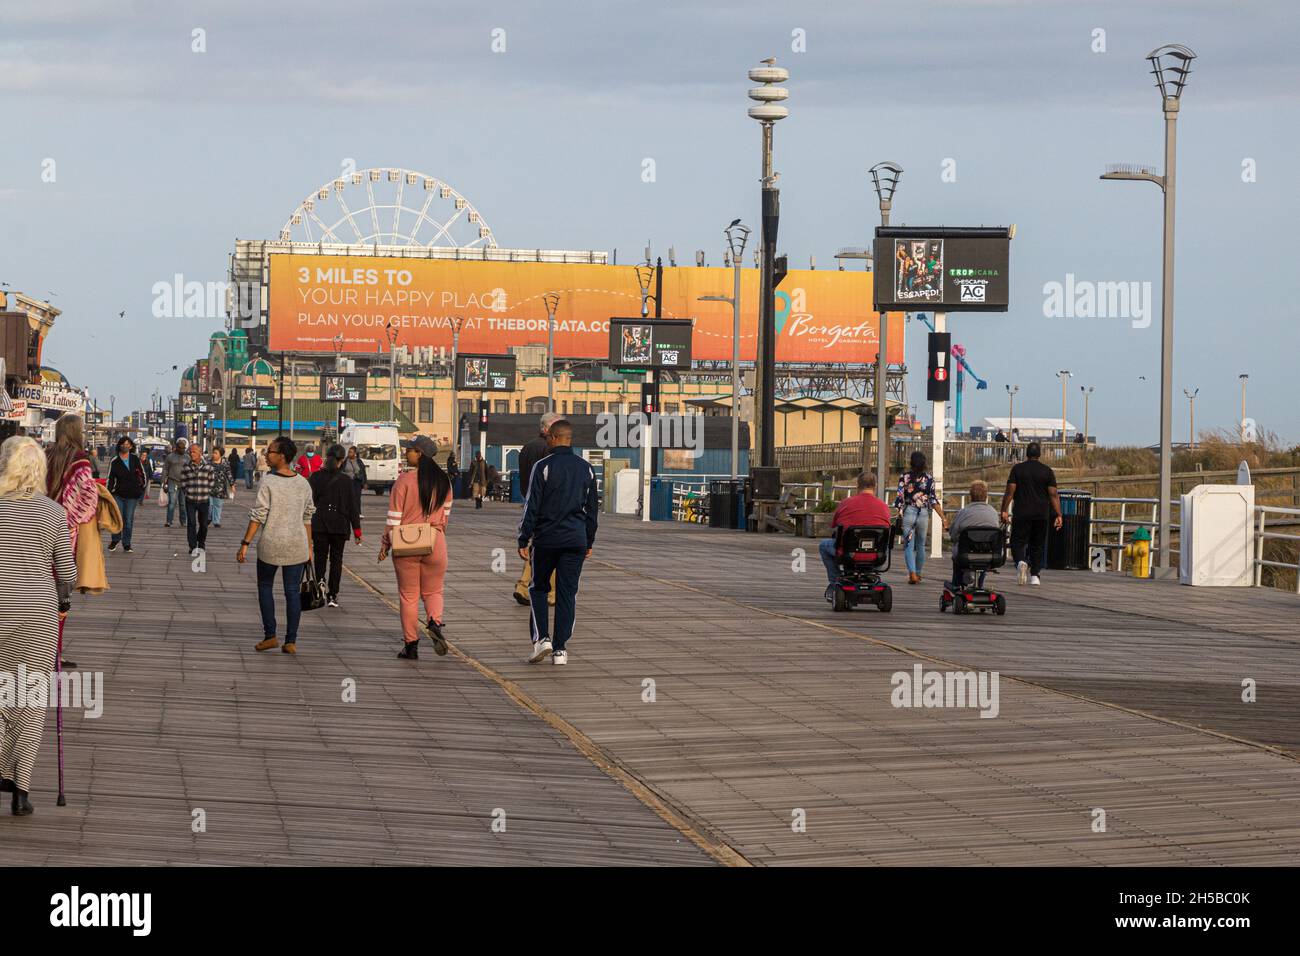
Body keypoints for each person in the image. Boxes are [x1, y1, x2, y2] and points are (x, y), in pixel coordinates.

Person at [0, 437, 78, 816]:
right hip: (36, 615)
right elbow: (67, 572)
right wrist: (63, 600)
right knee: (28, 699)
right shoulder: (52, 513)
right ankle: (21, 790)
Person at [517, 420, 599, 667]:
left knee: (538, 588)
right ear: (569, 439)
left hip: (546, 540)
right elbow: (593, 510)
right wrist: (589, 540)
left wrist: (524, 537)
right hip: (576, 539)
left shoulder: (542, 466)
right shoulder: (587, 469)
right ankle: (561, 650)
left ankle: (542, 639)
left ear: (552, 438)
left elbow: (532, 505)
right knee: (567, 594)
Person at [238, 436, 315, 655]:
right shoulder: (303, 483)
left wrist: (245, 543)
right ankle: (291, 641)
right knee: (292, 592)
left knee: (265, 588)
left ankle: (270, 636)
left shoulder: (269, 482)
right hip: (296, 545)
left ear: (281, 456)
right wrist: (309, 546)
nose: (266, 455)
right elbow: (307, 517)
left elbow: (259, 515)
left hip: (271, 544)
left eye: (270, 452)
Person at [380, 435, 451, 660]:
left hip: (407, 542)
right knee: (433, 591)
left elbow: (394, 518)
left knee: (409, 596)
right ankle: (434, 621)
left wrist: (385, 543)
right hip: (435, 540)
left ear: (419, 453)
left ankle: (411, 645)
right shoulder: (444, 482)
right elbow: (445, 517)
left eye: (409, 450)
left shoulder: (404, 480)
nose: (406, 453)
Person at [46, 414, 98, 670]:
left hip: (38, 531)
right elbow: (87, 501)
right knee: (61, 598)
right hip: (64, 537)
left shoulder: (45, 456)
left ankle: (38, 650)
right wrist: (70, 520)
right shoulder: (80, 461)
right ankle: (54, 653)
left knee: (40, 594)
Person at [818, 471, 893, 601]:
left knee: (824, 546)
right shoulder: (884, 507)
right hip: (876, 556)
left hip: (848, 553)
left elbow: (834, 524)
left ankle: (834, 580)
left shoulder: (846, 504)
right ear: (875, 486)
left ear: (857, 485)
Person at [1000, 442, 1063, 587]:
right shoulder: (1047, 471)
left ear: (1026, 454)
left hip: (1022, 512)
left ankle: (1021, 562)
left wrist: (1004, 510)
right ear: (1039, 454)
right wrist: (1059, 514)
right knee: (1038, 544)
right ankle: (1035, 575)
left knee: (1017, 541)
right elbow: (1053, 494)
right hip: (1041, 514)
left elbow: (1010, 491)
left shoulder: (1017, 469)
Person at [513, 412, 560, 606]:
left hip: (530, 501)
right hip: (548, 506)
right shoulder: (549, 449)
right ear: (547, 429)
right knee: (554, 549)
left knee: (537, 547)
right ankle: (551, 593)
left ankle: (523, 587)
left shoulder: (527, 447)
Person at [309, 444, 361, 608]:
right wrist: (357, 530)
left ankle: (319, 587)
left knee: (320, 558)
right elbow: (353, 506)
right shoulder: (346, 480)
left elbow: (308, 502)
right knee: (336, 560)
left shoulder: (315, 477)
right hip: (339, 524)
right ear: (341, 460)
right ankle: (333, 594)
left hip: (319, 524)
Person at [894, 451, 947, 585]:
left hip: (909, 513)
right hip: (923, 514)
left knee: (908, 546)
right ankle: (918, 573)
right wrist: (943, 518)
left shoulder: (904, 477)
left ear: (911, 462)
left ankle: (911, 573)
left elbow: (899, 499)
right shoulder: (929, 478)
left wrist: (900, 513)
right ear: (924, 463)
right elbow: (933, 501)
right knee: (921, 545)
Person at [946, 479, 1002, 589]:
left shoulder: (964, 512)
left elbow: (953, 534)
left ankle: (957, 583)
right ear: (986, 496)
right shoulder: (993, 512)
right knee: (983, 559)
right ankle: (979, 585)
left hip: (965, 554)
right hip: (989, 554)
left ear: (970, 496)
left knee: (957, 553)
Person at [106, 435, 147, 553]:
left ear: (131, 446)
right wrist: (108, 493)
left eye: (128, 444)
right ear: (119, 446)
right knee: (117, 518)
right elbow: (110, 478)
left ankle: (127, 543)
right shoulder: (114, 460)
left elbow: (143, 474)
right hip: (118, 494)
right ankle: (115, 540)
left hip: (132, 495)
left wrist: (141, 487)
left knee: (128, 520)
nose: (125, 446)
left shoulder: (135, 458)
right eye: (123, 444)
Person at [180, 443, 214, 554]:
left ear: (200, 452)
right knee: (191, 523)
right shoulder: (186, 466)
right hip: (190, 500)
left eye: (194, 451)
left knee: (204, 524)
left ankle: (201, 542)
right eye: (190, 451)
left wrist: (207, 491)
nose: (191, 453)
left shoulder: (208, 466)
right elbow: (183, 481)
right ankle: (193, 546)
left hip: (204, 500)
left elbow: (211, 482)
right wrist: (187, 491)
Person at [163, 438, 188, 527]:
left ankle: (183, 521)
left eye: (183, 448)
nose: (182, 449)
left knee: (183, 504)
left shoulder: (187, 457)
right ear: (176, 447)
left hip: (184, 483)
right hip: (172, 481)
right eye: (180, 448)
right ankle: (169, 521)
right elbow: (165, 469)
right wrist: (163, 482)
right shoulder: (170, 457)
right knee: (172, 503)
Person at [341, 445, 367, 521]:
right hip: (347, 482)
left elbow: (363, 472)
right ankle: (346, 512)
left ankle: (358, 513)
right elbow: (341, 470)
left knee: (357, 498)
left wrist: (365, 482)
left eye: (351, 452)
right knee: (347, 497)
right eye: (349, 452)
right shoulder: (345, 461)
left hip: (357, 482)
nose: (349, 453)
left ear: (355, 453)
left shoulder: (359, 461)